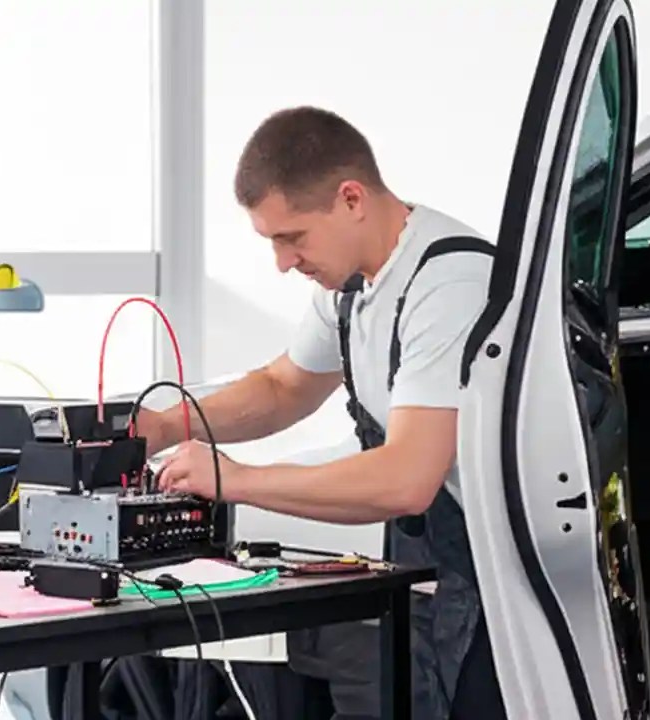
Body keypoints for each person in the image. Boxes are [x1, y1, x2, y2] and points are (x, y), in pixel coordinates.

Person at [136, 105, 506, 719]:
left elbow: (406, 478)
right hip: (437, 566)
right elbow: (285, 387)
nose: (283, 263)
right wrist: (161, 425)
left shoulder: (448, 285)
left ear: (351, 198)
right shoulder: (354, 286)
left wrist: (238, 481)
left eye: (292, 237)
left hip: (501, 580)